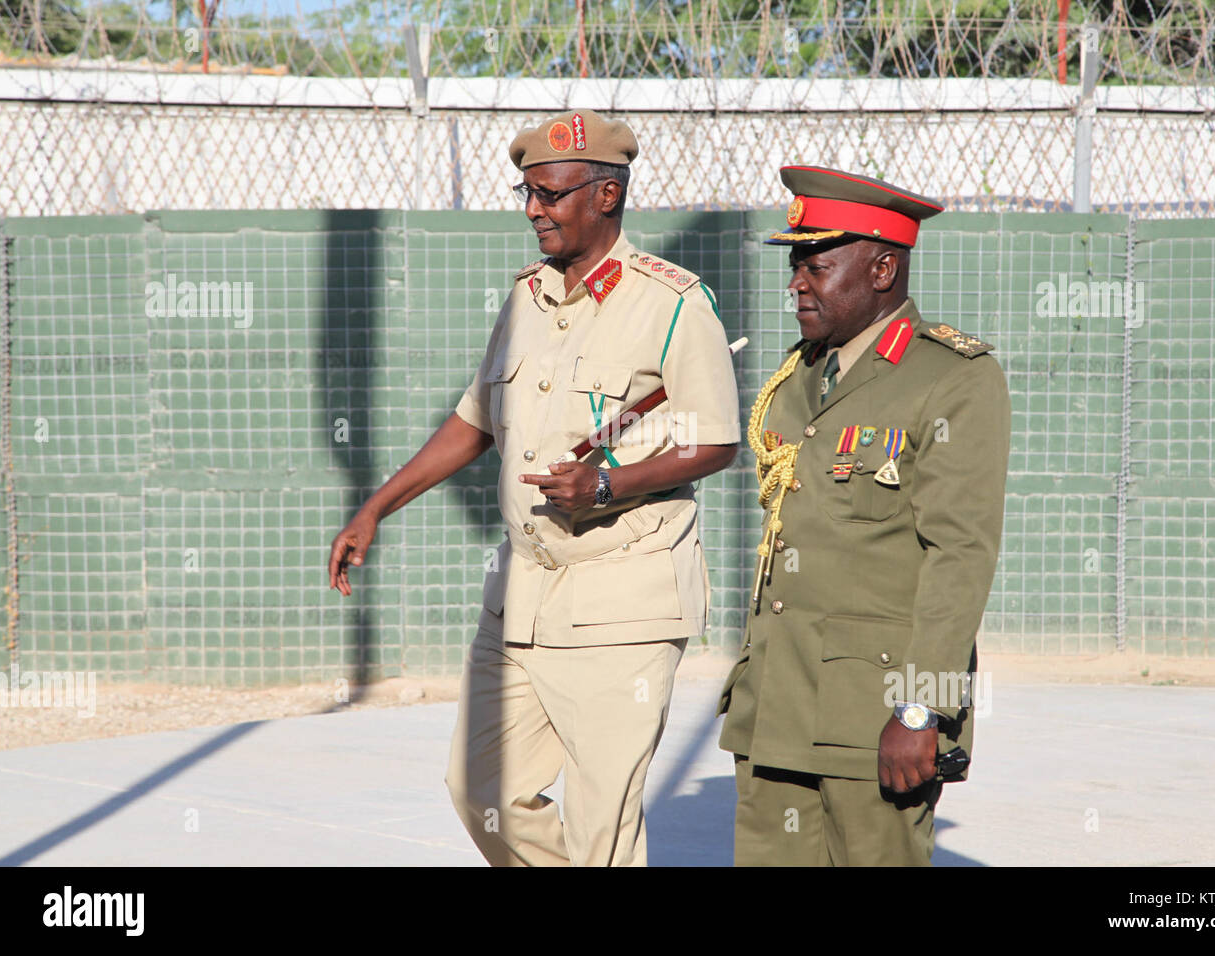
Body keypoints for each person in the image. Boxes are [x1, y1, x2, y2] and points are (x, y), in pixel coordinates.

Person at [328, 108, 740, 866]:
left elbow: (714, 437)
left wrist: (608, 484)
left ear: (605, 195)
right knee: (482, 794)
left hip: (622, 603)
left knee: (599, 831)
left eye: (549, 194)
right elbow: (474, 421)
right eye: (526, 192)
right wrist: (377, 505)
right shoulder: (525, 297)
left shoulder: (672, 303)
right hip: (519, 598)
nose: (532, 210)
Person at [717, 165, 1011, 866]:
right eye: (795, 266)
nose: (796, 283)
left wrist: (921, 710)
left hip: (873, 715)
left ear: (883, 267)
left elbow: (960, 556)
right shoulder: (800, 376)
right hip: (777, 708)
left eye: (817, 266)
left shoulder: (952, 377)